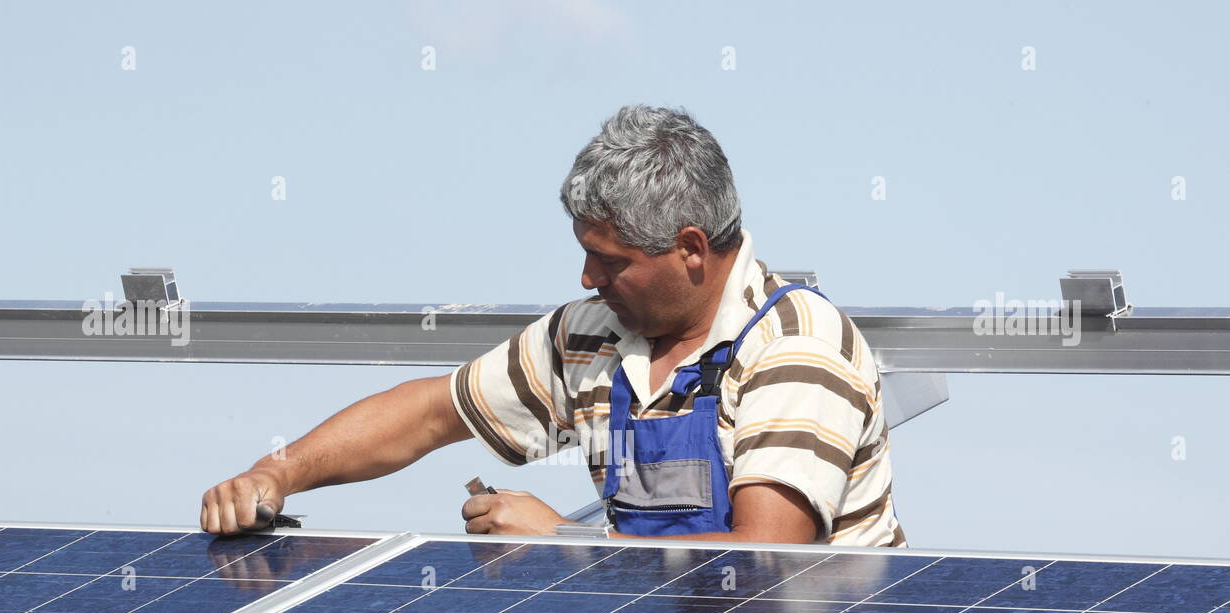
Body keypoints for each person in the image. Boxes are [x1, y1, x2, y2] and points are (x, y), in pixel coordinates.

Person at [201, 104, 906, 547]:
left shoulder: (796, 346)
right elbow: (427, 416)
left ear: (691, 249)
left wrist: (567, 543)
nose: (587, 280)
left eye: (611, 261)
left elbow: (763, 565)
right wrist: (275, 473)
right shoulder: (591, 337)